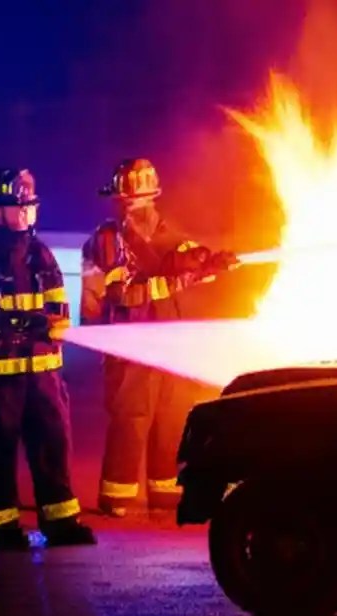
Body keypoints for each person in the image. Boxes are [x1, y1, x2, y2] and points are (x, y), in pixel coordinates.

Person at [81, 158, 238, 517]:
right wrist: (181, 279)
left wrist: (211, 263)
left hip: (170, 342)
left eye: (140, 202)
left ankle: (164, 492)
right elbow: (121, 296)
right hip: (130, 343)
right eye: (129, 202)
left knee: (172, 416)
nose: (134, 209)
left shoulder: (170, 235)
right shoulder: (106, 242)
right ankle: (117, 496)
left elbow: (189, 257)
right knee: (131, 418)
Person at [0, 167, 95, 550]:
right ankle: (3, 530)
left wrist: (51, 325)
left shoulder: (39, 253)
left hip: (44, 375)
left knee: (53, 444)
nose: (29, 212)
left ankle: (62, 523)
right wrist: (11, 321)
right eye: (23, 206)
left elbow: (59, 311)